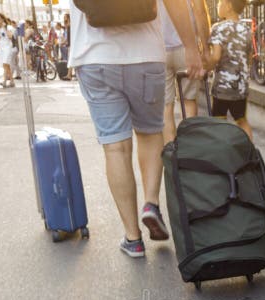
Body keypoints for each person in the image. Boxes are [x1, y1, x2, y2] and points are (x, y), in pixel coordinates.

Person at [69, 1, 205, 258]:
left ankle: (133, 239)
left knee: (115, 147)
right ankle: (151, 204)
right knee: (150, 133)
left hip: (94, 56)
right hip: (146, 55)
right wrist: (190, 46)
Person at [160, 0, 211, 144]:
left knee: (166, 106)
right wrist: (206, 49)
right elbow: (200, 12)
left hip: (160, 49)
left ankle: (172, 156)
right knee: (188, 101)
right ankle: (190, 149)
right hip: (186, 48)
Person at [207, 0, 253, 140]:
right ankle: (250, 153)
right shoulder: (246, 29)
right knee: (241, 120)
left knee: (219, 122)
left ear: (228, 6)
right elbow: (249, 58)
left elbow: (215, 56)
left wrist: (206, 68)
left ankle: (222, 155)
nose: (218, 5)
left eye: (220, 2)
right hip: (240, 87)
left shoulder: (218, 28)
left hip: (222, 87)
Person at [0, 13, 15, 88]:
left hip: (7, 46)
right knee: (6, 64)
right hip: (1, 47)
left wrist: (5, 29)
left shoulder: (8, 26)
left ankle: (5, 81)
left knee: (5, 63)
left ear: (3, 18)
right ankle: (12, 81)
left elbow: (10, 36)